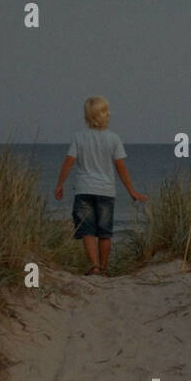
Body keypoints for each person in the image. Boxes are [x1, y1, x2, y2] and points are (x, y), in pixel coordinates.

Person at [54, 96, 147, 275]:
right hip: (106, 191)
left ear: (87, 115)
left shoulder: (79, 137)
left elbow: (68, 162)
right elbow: (121, 167)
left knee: (87, 231)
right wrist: (131, 191)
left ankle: (95, 266)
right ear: (106, 114)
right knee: (105, 232)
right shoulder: (113, 138)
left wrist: (60, 184)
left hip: (84, 189)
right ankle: (103, 268)